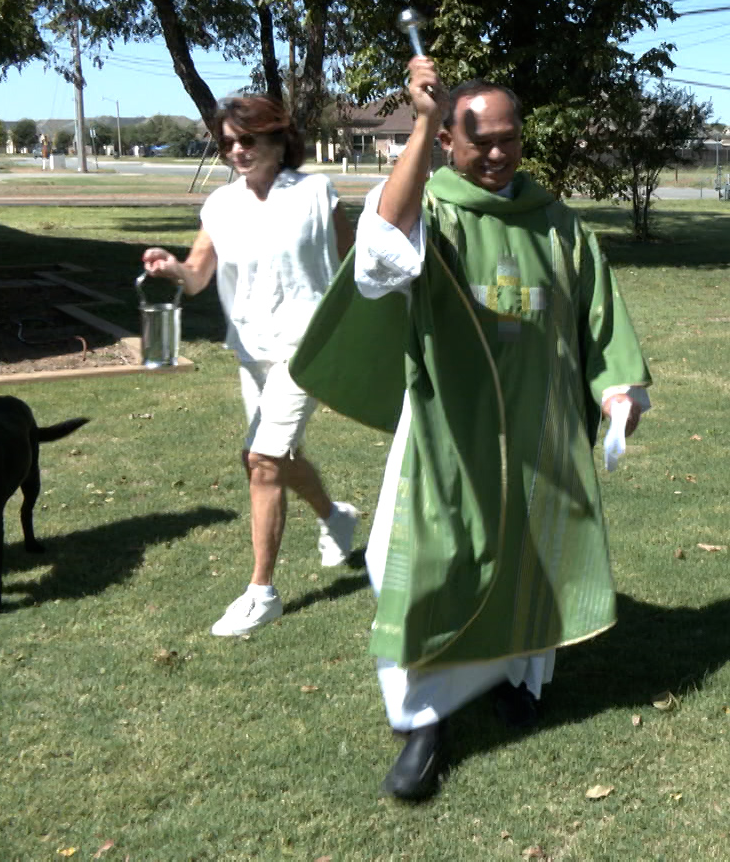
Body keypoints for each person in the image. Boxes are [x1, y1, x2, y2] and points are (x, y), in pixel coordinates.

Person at [289, 55, 651, 802]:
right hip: (447, 429)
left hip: (542, 431)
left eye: (508, 138)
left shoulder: (556, 222)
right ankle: (422, 723)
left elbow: (597, 314)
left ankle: (521, 680)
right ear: (450, 142)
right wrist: (420, 122)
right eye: (478, 140)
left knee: (531, 559)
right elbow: (380, 253)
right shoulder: (434, 210)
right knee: (418, 566)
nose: (495, 153)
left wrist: (618, 390)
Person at [141, 94, 357, 637]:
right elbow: (197, 275)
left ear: (278, 140)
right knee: (276, 458)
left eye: (248, 139)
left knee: (261, 459)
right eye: (228, 142)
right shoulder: (220, 205)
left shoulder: (315, 192)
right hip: (251, 349)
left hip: (307, 346)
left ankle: (262, 592)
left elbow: (356, 262)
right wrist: (171, 267)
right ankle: (335, 516)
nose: (237, 150)